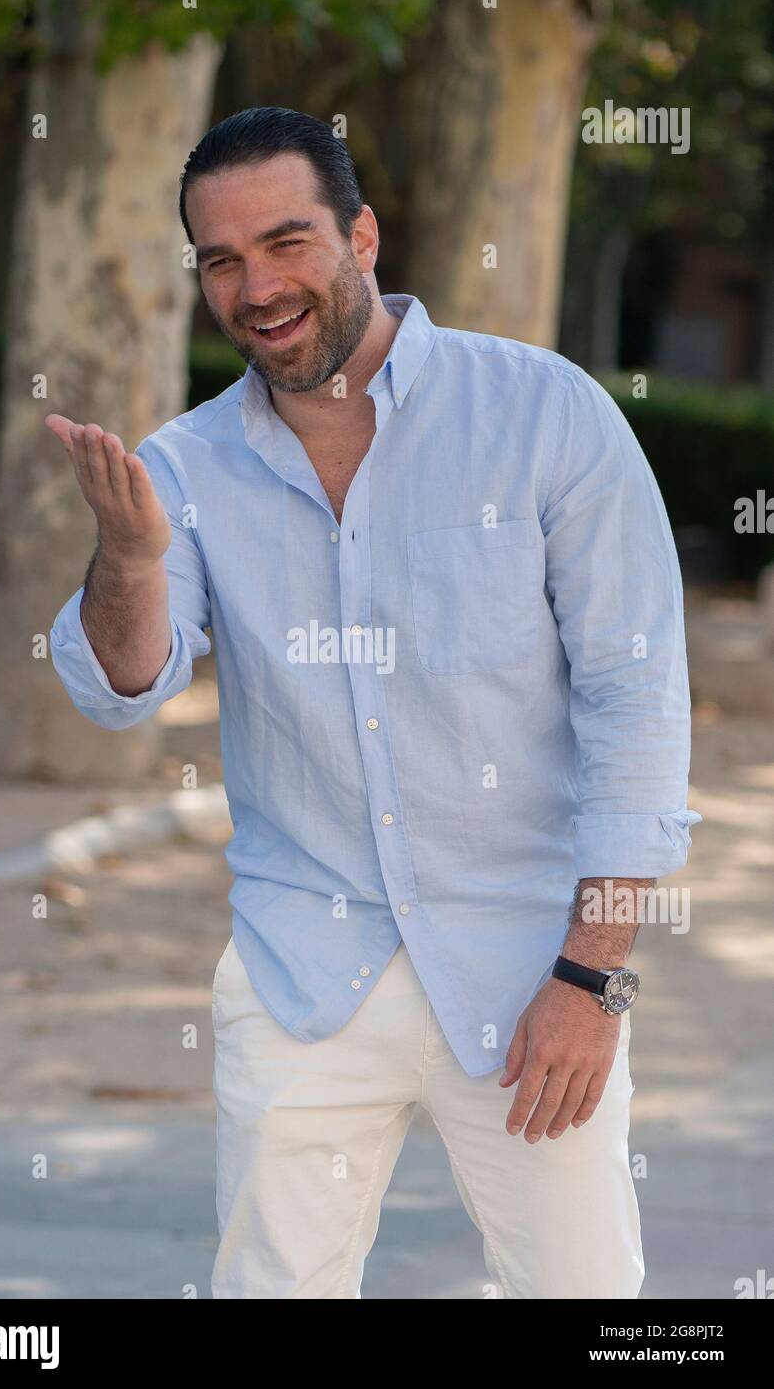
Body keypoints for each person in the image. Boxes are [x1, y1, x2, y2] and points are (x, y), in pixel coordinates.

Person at [48, 107, 701, 1300]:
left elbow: (636, 703)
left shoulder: (544, 417)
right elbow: (120, 691)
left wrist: (595, 975)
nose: (257, 286)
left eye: (287, 242)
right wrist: (132, 560)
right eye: (221, 261)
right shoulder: (182, 468)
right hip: (303, 973)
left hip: (529, 977)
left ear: (361, 234)